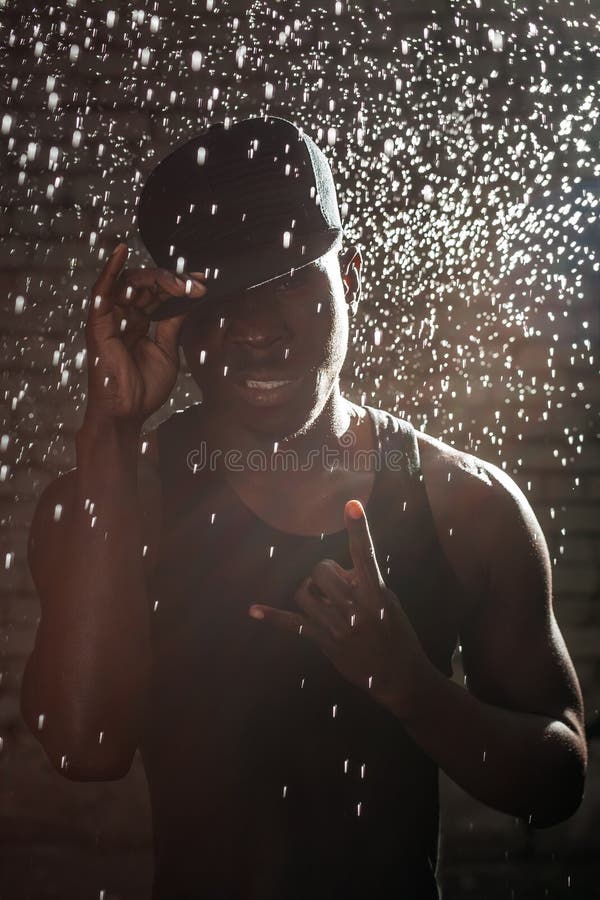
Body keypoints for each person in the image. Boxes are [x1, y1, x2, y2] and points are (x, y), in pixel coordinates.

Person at [21, 116, 587, 900]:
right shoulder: (115, 497)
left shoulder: (469, 505)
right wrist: (111, 434)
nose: (255, 331)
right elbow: (85, 750)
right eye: (220, 297)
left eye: (288, 280)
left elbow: (558, 784)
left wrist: (411, 686)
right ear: (170, 316)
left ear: (347, 275)